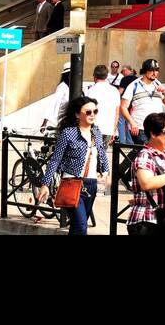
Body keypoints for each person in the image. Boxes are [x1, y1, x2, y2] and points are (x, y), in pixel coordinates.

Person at [38, 95, 110, 236]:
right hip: (72, 183)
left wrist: (106, 171)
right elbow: (55, 159)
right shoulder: (68, 133)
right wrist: (45, 184)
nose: (92, 115)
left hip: (91, 184)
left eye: (95, 111)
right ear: (78, 114)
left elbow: (101, 153)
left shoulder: (97, 132)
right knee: (81, 225)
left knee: (78, 226)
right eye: (88, 112)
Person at [120, 58, 165, 143]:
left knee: (149, 152)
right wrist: (132, 123)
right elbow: (123, 107)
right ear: (145, 71)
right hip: (139, 127)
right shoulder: (134, 85)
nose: (154, 73)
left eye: (156, 70)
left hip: (156, 127)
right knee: (144, 150)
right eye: (151, 70)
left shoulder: (158, 84)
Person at [84, 64, 122, 146]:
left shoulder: (91, 90)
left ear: (94, 76)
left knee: (92, 155)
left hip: (94, 128)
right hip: (108, 127)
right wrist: (114, 130)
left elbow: (86, 110)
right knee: (102, 156)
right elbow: (117, 112)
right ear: (106, 76)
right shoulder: (114, 90)